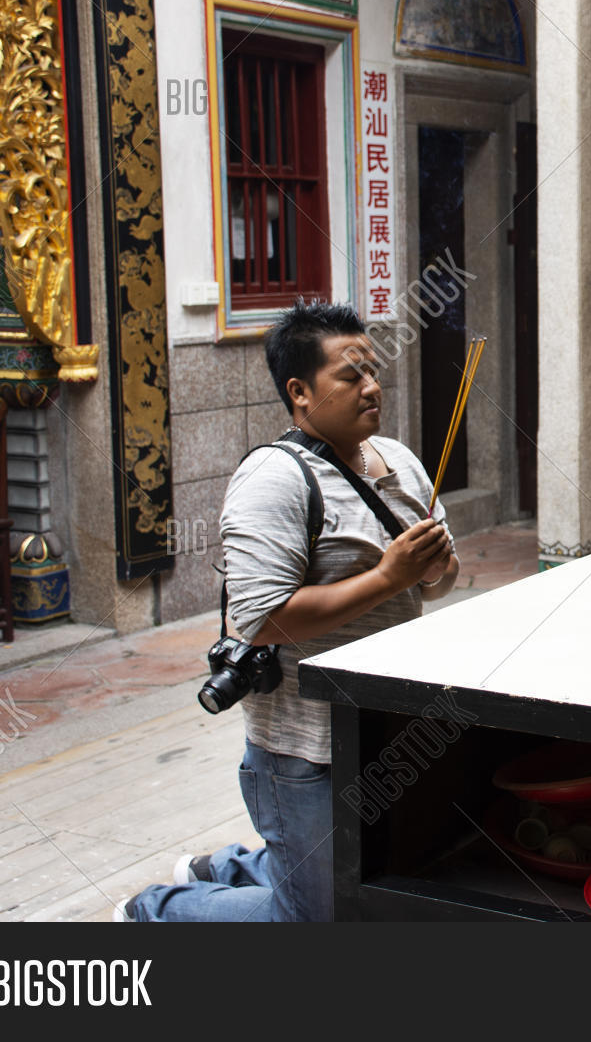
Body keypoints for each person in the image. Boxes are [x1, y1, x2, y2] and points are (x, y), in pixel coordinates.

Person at [118, 301, 458, 921]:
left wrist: (433, 570)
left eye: (373, 372)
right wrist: (389, 576)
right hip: (308, 745)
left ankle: (232, 867)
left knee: (372, 882)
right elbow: (261, 618)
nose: (371, 387)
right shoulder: (274, 478)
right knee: (317, 921)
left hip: (389, 726)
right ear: (300, 391)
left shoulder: (401, 460)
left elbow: (435, 583)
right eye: (350, 376)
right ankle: (159, 910)